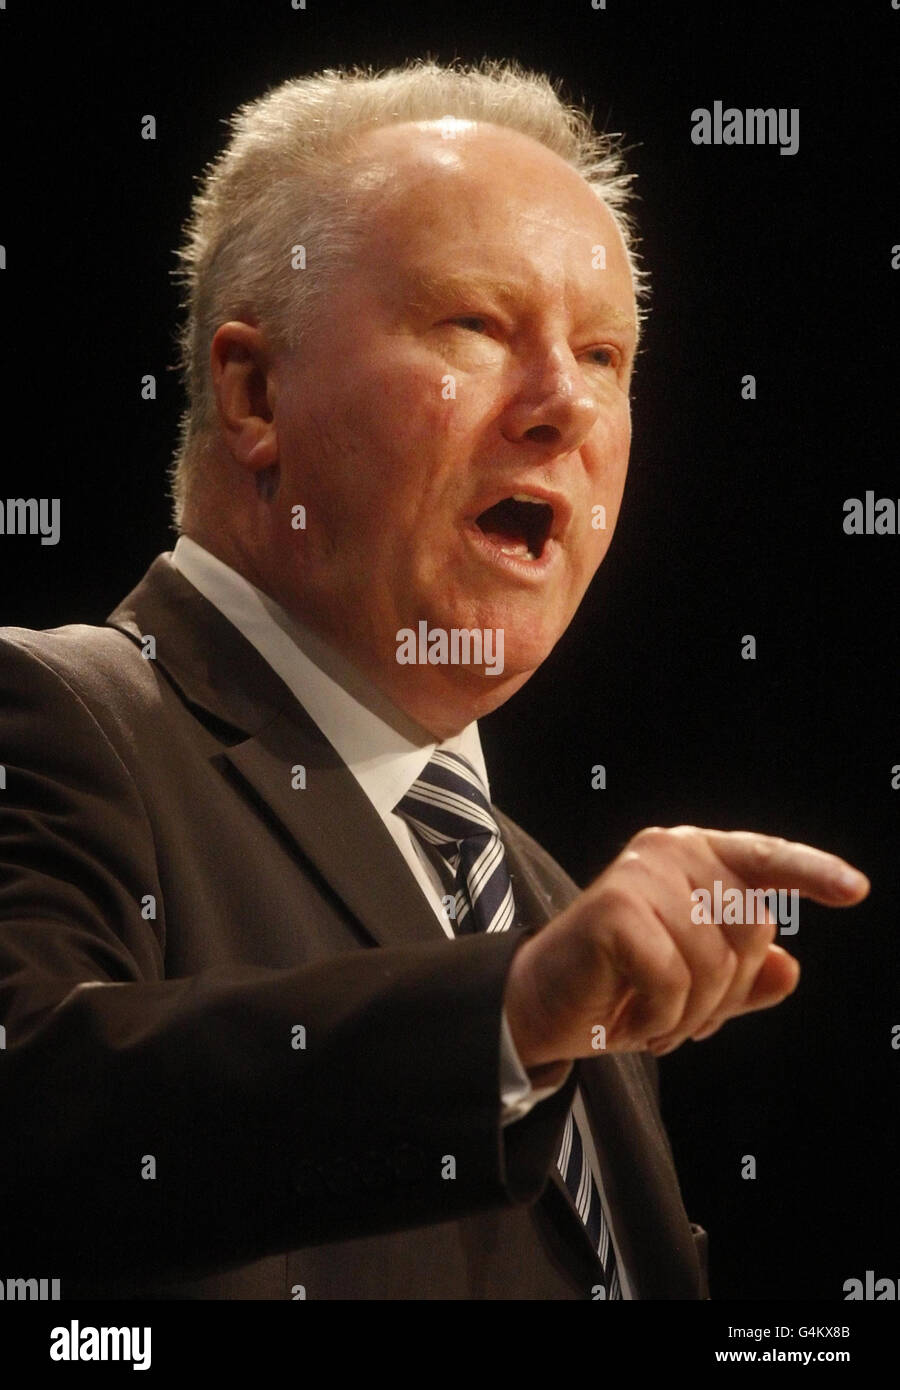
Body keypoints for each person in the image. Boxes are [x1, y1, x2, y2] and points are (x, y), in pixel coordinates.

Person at [0, 59, 869, 1300]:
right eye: (474, 323)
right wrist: (504, 1018)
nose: (566, 405)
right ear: (254, 394)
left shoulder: (547, 898)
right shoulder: (58, 716)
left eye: (607, 353)